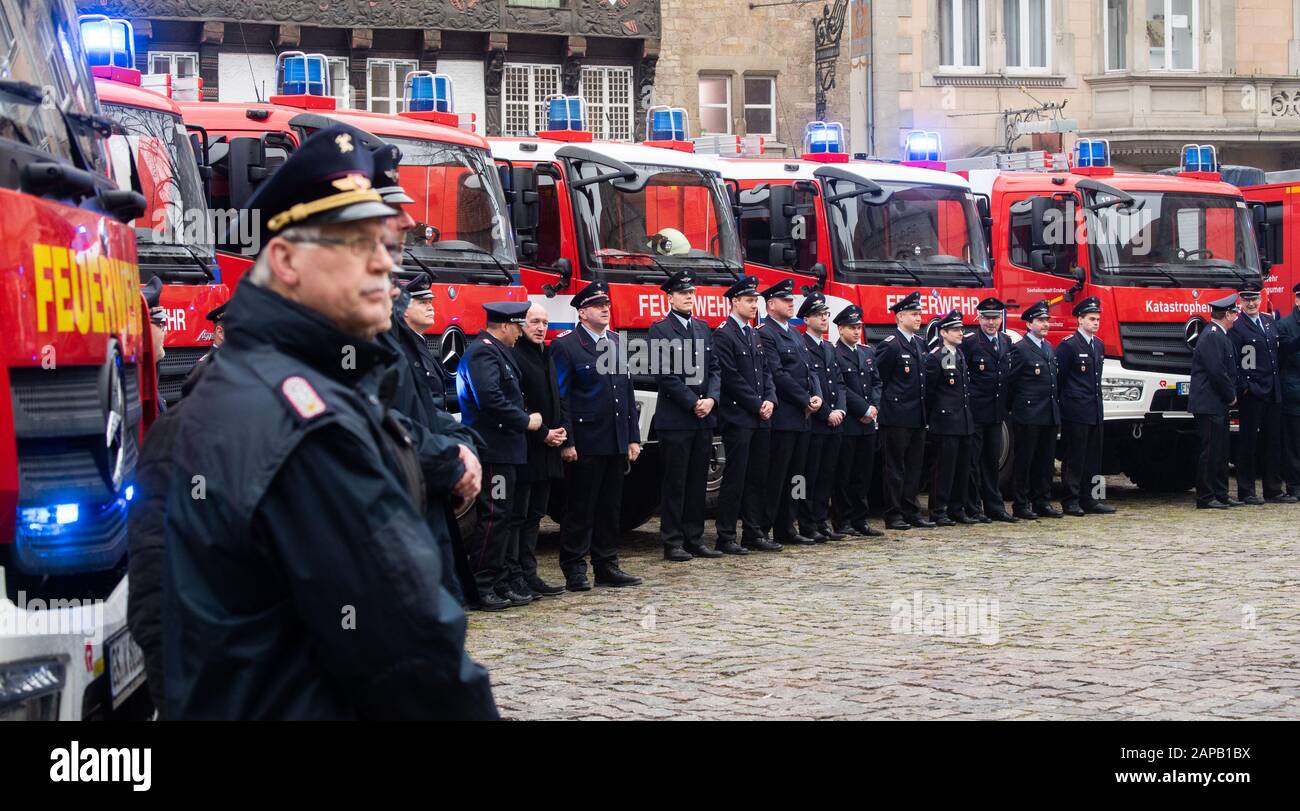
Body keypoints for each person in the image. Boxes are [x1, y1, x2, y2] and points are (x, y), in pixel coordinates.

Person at [161, 126, 496, 719]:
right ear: (286, 261)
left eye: (387, 245)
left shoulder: (257, 378)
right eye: (353, 243)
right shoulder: (307, 420)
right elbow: (407, 653)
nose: (383, 266)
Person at [552, 281, 643, 590]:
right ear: (582, 312)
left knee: (609, 507)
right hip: (586, 441)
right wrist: (568, 441)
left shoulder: (617, 341)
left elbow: (626, 394)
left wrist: (633, 437)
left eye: (606, 304)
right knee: (580, 507)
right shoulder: (566, 345)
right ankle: (574, 568)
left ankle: (607, 564)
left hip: (615, 439)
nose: (605, 309)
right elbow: (561, 398)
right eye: (597, 305)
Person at [458, 301, 543, 610]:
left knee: (505, 517)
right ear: (505, 326)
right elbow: (490, 398)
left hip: (507, 449)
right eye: (518, 327)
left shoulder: (497, 352)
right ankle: (481, 586)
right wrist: (525, 420)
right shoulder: (483, 352)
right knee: (494, 517)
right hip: (493, 449)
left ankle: (497, 581)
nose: (521, 333)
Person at [650, 269, 722, 561]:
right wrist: (694, 402)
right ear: (670, 297)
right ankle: (673, 540)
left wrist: (712, 399)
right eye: (683, 293)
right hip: (677, 419)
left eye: (691, 293)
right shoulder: (660, 330)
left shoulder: (703, 328)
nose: (689, 298)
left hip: (704, 418)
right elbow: (664, 375)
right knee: (675, 482)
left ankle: (695, 538)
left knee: (697, 483)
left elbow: (715, 368)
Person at [712, 275, 778, 554]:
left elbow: (765, 372)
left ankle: (753, 532)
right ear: (735, 301)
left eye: (756, 301)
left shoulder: (754, 333)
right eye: (749, 300)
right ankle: (726, 536)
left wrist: (771, 399)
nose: (754, 305)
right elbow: (730, 377)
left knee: (757, 478)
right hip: (739, 416)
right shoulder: (723, 334)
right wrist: (756, 404)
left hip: (761, 416)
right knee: (736, 478)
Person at [507, 302, 569, 597]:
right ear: (521, 324)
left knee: (535, 515)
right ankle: (515, 574)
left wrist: (562, 434)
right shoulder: (515, 356)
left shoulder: (547, 354)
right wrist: (544, 433)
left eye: (545, 322)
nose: (541, 327)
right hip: (527, 447)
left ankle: (530, 574)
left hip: (549, 447)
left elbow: (558, 397)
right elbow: (519, 404)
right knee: (518, 516)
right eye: (534, 321)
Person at [758, 278, 822, 546]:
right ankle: (764, 528)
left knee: (798, 476)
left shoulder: (796, 333)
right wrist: (805, 399)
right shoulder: (766, 333)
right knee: (777, 476)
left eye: (791, 299)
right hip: (785, 415)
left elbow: (809, 370)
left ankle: (789, 527)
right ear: (771, 304)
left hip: (803, 417)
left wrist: (816, 395)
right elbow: (778, 374)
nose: (791, 302)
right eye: (785, 300)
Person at [1230, 283, 1295, 504]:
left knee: (1273, 441)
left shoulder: (1269, 322)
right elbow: (1234, 362)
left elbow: (1280, 352)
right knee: (1248, 442)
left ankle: (1273, 489)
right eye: (1247, 300)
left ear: (1260, 299)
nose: (1251, 303)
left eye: (1255, 299)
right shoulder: (1238, 328)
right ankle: (1246, 490)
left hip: (1273, 391)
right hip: (1253, 392)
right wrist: (1244, 387)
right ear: (1241, 301)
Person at [1055, 296, 1116, 516]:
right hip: (1076, 410)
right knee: (1075, 458)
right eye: (1091, 319)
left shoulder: (1098, 345)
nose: (1095, 323)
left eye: (1098, 319)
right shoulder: (1069, 345)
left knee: (1094, 458)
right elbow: (1059, 379)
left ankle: (1091, 498)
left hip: (1095, 409)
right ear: (1080, 320)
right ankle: (1071, 500)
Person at [875, 291, 931, 530]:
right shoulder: (891, 345)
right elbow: (880, 379)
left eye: (919, 314)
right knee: (895, 468)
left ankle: (911, 510)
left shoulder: (919, 343)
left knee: (914, 467)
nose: (918, 318)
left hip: (917, 414)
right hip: (896, 415)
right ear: (899, 317)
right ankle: (894, 513)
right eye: (913, 314)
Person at [798, 291, 848, 540]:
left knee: (827, 475)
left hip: (834, 423)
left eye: (825, 314)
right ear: (806, 319)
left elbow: (838, 382)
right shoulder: (802, 346)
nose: (824, 319)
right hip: (816, 421)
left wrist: (840, 409)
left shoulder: (829, 347)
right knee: (808, 476)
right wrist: (827, 413)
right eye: (818, 315)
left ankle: (821, 521)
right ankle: (806, 523)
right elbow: (809, 384)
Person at [961, 297, 1015, 523]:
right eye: (986, 318)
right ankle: (973, 508)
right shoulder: (970, 342)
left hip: (996, 411)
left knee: (992, 461)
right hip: (976, 410)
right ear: (978, 318)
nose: (991, 322)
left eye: (995, 318)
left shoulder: (1006, 340)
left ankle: (995, 506)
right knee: (973, 462)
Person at [1008, 300, 1062, 520]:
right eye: (1040, 321)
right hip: (1028, 414)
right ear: (1029, 324)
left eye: (1047, 320)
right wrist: (1016, 408)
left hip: (1048, 413)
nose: (1045, 324)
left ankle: (1042, 501)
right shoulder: (1020, 349)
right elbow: (1011, 383)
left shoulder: (1048, 347)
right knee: (1025, 461)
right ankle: (1021, 503)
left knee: (1046, 461)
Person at [832, 305, 883, 537]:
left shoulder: (866, 352)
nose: (856, 331)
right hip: (851, 422)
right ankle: (842, 521)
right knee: (844, 475)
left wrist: (874, 407)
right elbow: (840, 386)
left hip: (867, 423)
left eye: (859, 327)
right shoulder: (835, 353)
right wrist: (863, 408)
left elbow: (877, 383)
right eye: (852, 328)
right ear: (841, 329)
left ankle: (860, 519)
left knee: (863, 475)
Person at [1190, 294, 1242, 509]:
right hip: (1209, 402)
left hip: (1216, 402)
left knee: (1221, 451)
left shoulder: (1220, 335)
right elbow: (1216, 371)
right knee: (1211, 451)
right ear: (1227, 314)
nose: (1236, 316)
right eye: (1234, 313)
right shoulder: (1212, 335)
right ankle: (1205, 496)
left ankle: (1220, 493)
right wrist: (1231, 395)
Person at [925, 309, 975, 526]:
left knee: (962, 469)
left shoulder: (959, 354)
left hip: (962, 421)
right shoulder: (939, 356)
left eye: (961, 329)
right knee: (943, 469)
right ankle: (939, 509)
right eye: (955, 330)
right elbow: (930, 391)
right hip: (945, 422)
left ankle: (957, 507)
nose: (960, 333)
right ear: (943, 332)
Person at [1278, 284, 1300, 499]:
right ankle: (1294, 485)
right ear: (1297, 300)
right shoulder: (1285, 325)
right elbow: (1284, 359)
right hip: (1294, 393)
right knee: (1293, 443)